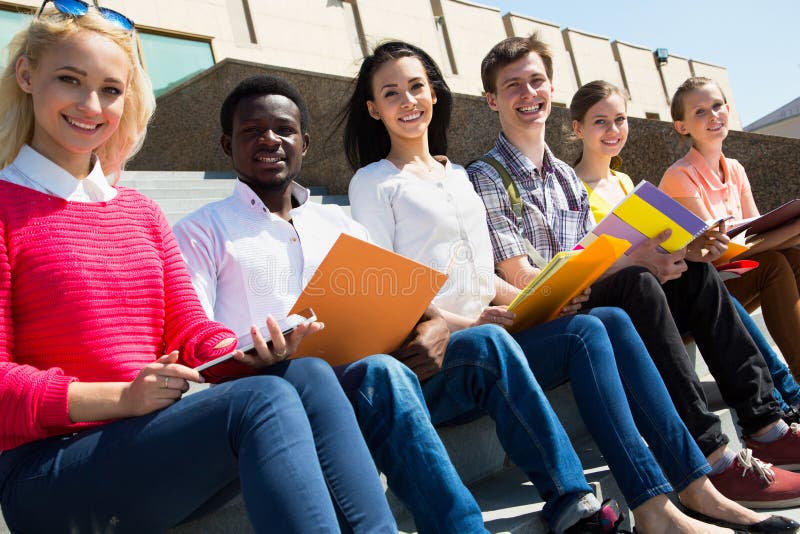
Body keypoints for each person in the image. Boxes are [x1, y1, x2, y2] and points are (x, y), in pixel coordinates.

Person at [342, 39, 793, 533]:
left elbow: (483, 275)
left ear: (433, 94)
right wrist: (477, 319)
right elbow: (393, 291)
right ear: (373, 108)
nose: (408, 101)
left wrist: (533, 302)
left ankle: (676, 496)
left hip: (501, 327)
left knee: (614, 319)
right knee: (595, 320)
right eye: (392, 94)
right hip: (448, 347)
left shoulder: (456, 178)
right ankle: (669, 487)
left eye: (416, 88)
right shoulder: (374, 182)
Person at [0, 4, 395, 533]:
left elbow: (189, 331)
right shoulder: (5, 205)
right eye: (70, 80)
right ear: (27, 75)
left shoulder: (139, 211)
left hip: (146, 440)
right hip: (47, 469)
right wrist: (120, 397)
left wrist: (243, 351)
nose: (91, 105)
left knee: (304, 371)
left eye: (112, 90)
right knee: (263, 401)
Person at [173, 74, 627, 534]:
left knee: (486, 342)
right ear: (228, 144)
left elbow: (404, 300)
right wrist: (252, 351)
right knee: (382, 373)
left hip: (379, 381)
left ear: (304, 143)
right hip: (286, 398)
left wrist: (434, 327)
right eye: (252, 131)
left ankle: (574, 506)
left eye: (284, 130)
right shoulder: (201, 231)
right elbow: (197, 340)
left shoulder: (337, 223)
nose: (270, 139)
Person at [465, 34, 800, 513]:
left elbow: (592, 254)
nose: (528, 93)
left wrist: (659, 253)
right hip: (551, 315)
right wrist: (634, 263)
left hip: (588, 293)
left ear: (551, 88)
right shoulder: (486, 175)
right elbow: (522, 277)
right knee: (638, 282)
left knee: (694, 273)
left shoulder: (563, 174)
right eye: (512, 85)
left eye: (536, 80)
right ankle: (713, 456)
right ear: (491, 99)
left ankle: (765, 425)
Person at [568, 79, 800, 420]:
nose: (613, 129)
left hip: (663, 288)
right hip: (626, 300)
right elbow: (589, 262)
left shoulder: (625, 183)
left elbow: (659, 242)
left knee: (715, 274)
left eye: (620, 119)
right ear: (578, 128)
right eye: (600, 121)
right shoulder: (572, 188)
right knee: (724, 286)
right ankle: (783, 400)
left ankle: (773, 409)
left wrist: (691, 248)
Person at [660, 76, 800, 383]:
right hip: (699, 294)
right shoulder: (678, 176)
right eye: (699, 112)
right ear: (681, 126)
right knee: (774, 264)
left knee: (792, 257)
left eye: (717, 105)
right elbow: (712, 256)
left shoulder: (735, 168)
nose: (712, 115)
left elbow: (757, 230)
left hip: (735, 277)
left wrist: (790, 231)